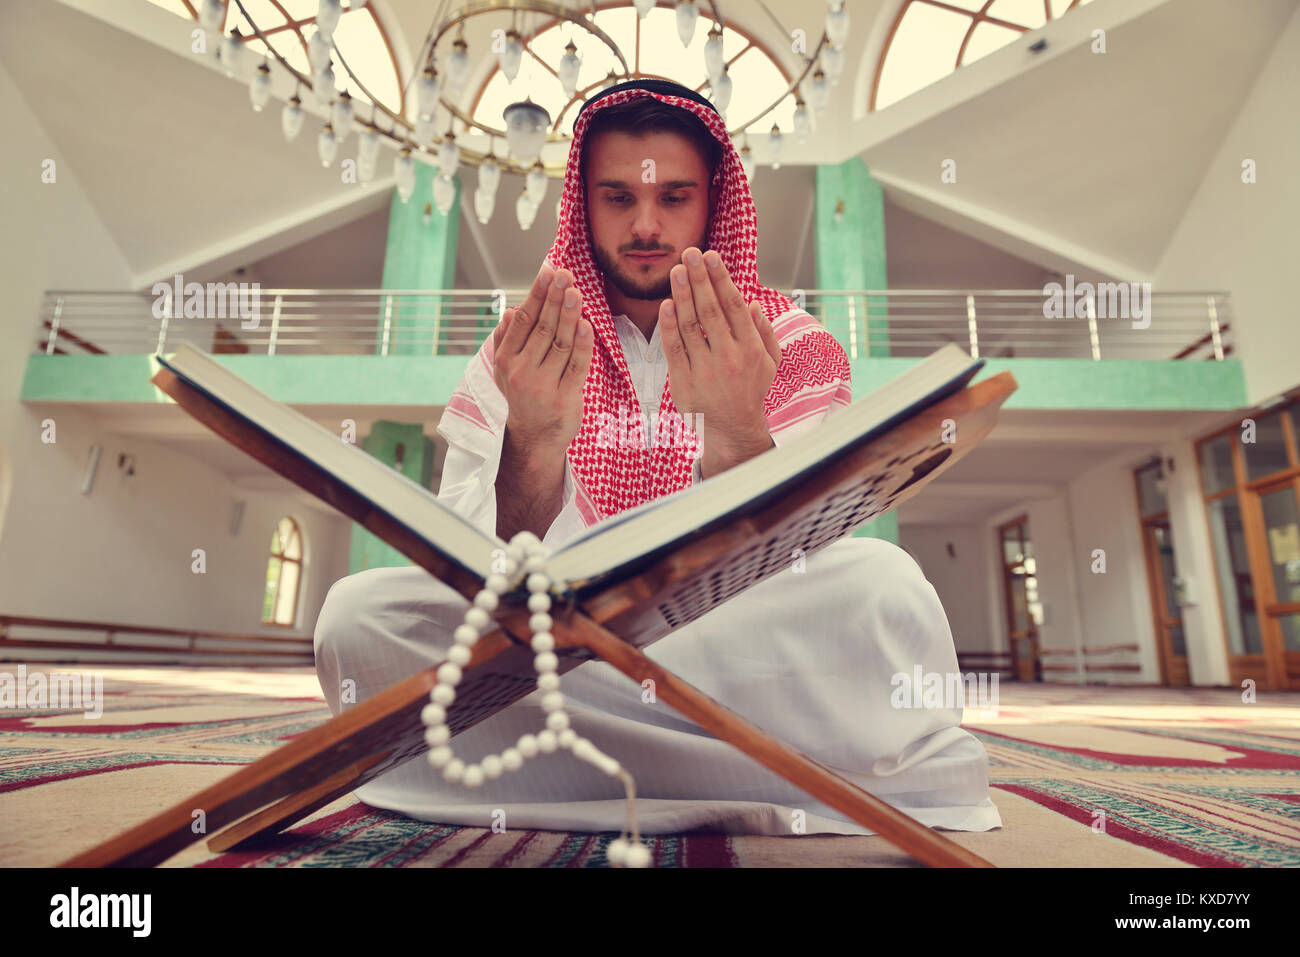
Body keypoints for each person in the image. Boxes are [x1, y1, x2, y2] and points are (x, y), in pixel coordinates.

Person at [313, 80, 1002, 838]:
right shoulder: (521, 346)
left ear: (714, 202)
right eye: (617, 197)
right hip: (555, 635)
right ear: (583, 204)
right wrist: (534, 439)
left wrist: (739, 429)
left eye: (675, 196)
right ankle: (767, 770)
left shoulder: (792, 344)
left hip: (726, 633)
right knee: (356, 615)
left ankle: (553, 764)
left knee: (885, 589)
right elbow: (486, 566)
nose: (646, 224)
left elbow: (803, 564)